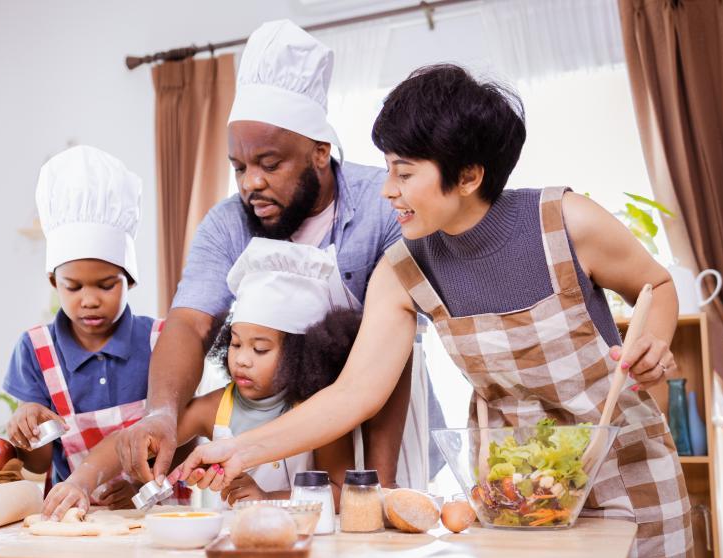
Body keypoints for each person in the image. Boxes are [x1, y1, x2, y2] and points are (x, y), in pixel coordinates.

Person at [174, 64, 700, 558]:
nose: (386, 189)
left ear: (469, 174)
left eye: (404, 172)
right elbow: (353, 393)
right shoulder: (405, 269)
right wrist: (237, 450)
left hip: (627, 481)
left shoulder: (564, 223)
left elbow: (658, 287)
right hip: (513, 498)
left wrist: (654, 337)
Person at [45, 19, 438, 521]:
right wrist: (162, 415)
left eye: (269, 164)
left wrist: (378, 487)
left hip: (386, 419)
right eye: (238, 166)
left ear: (320, 151)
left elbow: (392, 355)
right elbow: (189, 323)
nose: (250, 183)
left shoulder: (386, 205)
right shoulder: (228, 225)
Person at [2, 145, 190, 558]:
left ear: (128, 277)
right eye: (73, 285)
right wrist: (28, 426)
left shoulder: (160, 342)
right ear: (53, 281)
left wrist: (147, 482)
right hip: (73, 535)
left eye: (106, 284)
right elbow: (41, 460)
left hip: (154, 526)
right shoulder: (36, 349)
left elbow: (186, 436)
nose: (89, 299)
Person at [176, 238, 359, 508]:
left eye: (260, 349)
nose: (241, 359)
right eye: (235, 343)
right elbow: (157, 441)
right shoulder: (215, 407)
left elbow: (343, 493)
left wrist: (268, 499)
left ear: (300, 356)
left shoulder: (320, 415)